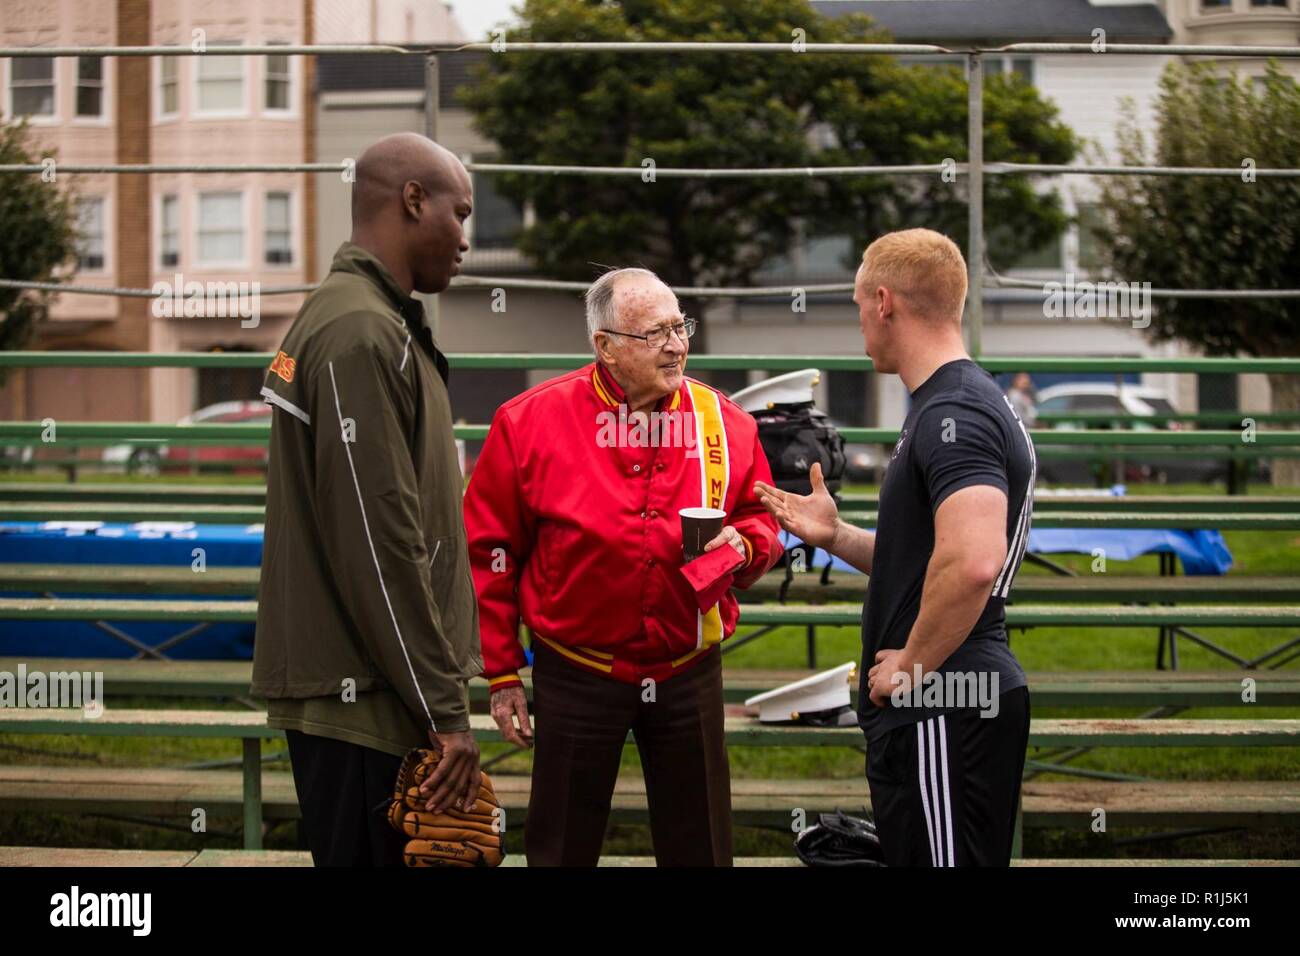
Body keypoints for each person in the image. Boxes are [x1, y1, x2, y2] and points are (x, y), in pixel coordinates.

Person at [463, 267, 782, 866]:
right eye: (654, 333)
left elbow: (761, 517)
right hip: (577, 671)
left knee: (702, 846)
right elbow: (489, 552)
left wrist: (746, 545)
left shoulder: (727, 423)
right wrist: (503, 674)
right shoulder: (528, 421)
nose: (677, 344)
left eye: (679, 326)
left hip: (689, 666)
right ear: (604, 346)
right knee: (560, 845)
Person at [755, 228, 1035, 867]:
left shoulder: (953, 413)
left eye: (857, 306)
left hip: (945, 698)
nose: (858, 324)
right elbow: (935, 556)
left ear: (884, 302)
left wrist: (910, 664)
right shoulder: (954, 403)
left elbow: (971, 563)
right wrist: (837, 537)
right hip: (951, 696)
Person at [252, 132, 483, 866]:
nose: (467, 241)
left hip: (383, 691)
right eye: (462, 213)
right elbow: (378, 545)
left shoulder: (372, 319)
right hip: (366, 704)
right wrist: (445, 709)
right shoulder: (358, 330)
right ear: (414, 200)